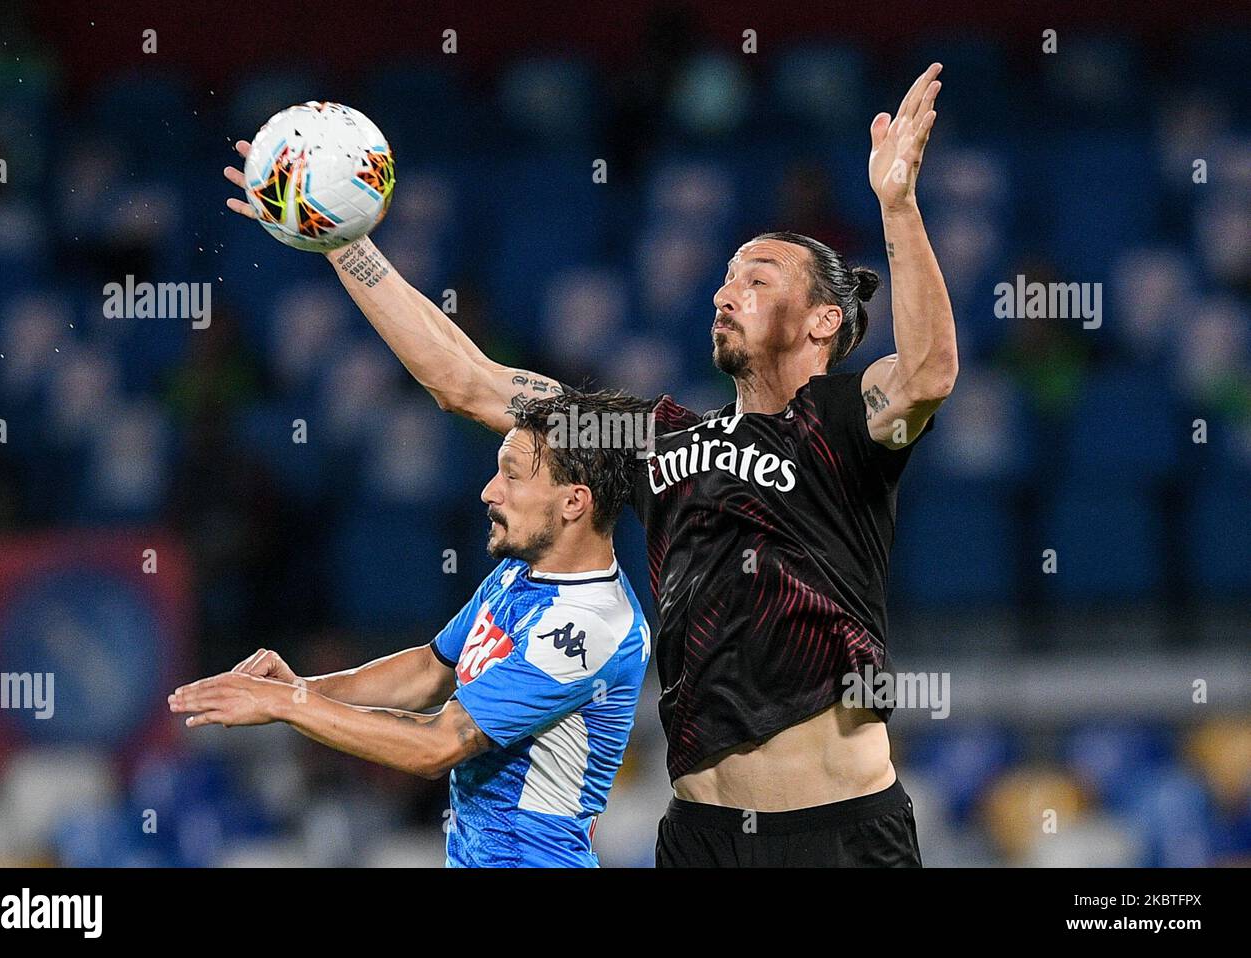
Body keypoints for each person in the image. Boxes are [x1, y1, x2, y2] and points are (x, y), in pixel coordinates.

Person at [220, 62, 956, 867]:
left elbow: (926, 373)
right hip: (703, 837)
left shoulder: (844, 425)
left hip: (841, 830)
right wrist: (346, 241)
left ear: (822, 321)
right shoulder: (656, 438)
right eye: (725, 275)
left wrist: (898, 205)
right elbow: (471, 385)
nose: (724, 290)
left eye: (756, 276)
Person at [169, 392, 653, 867]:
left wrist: (288, 705)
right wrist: (302, 688)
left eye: (511, 475)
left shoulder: (590, 625)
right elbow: (428, 670)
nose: (490, 491)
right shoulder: (522, 571)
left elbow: (438, 745)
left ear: (573, 502)